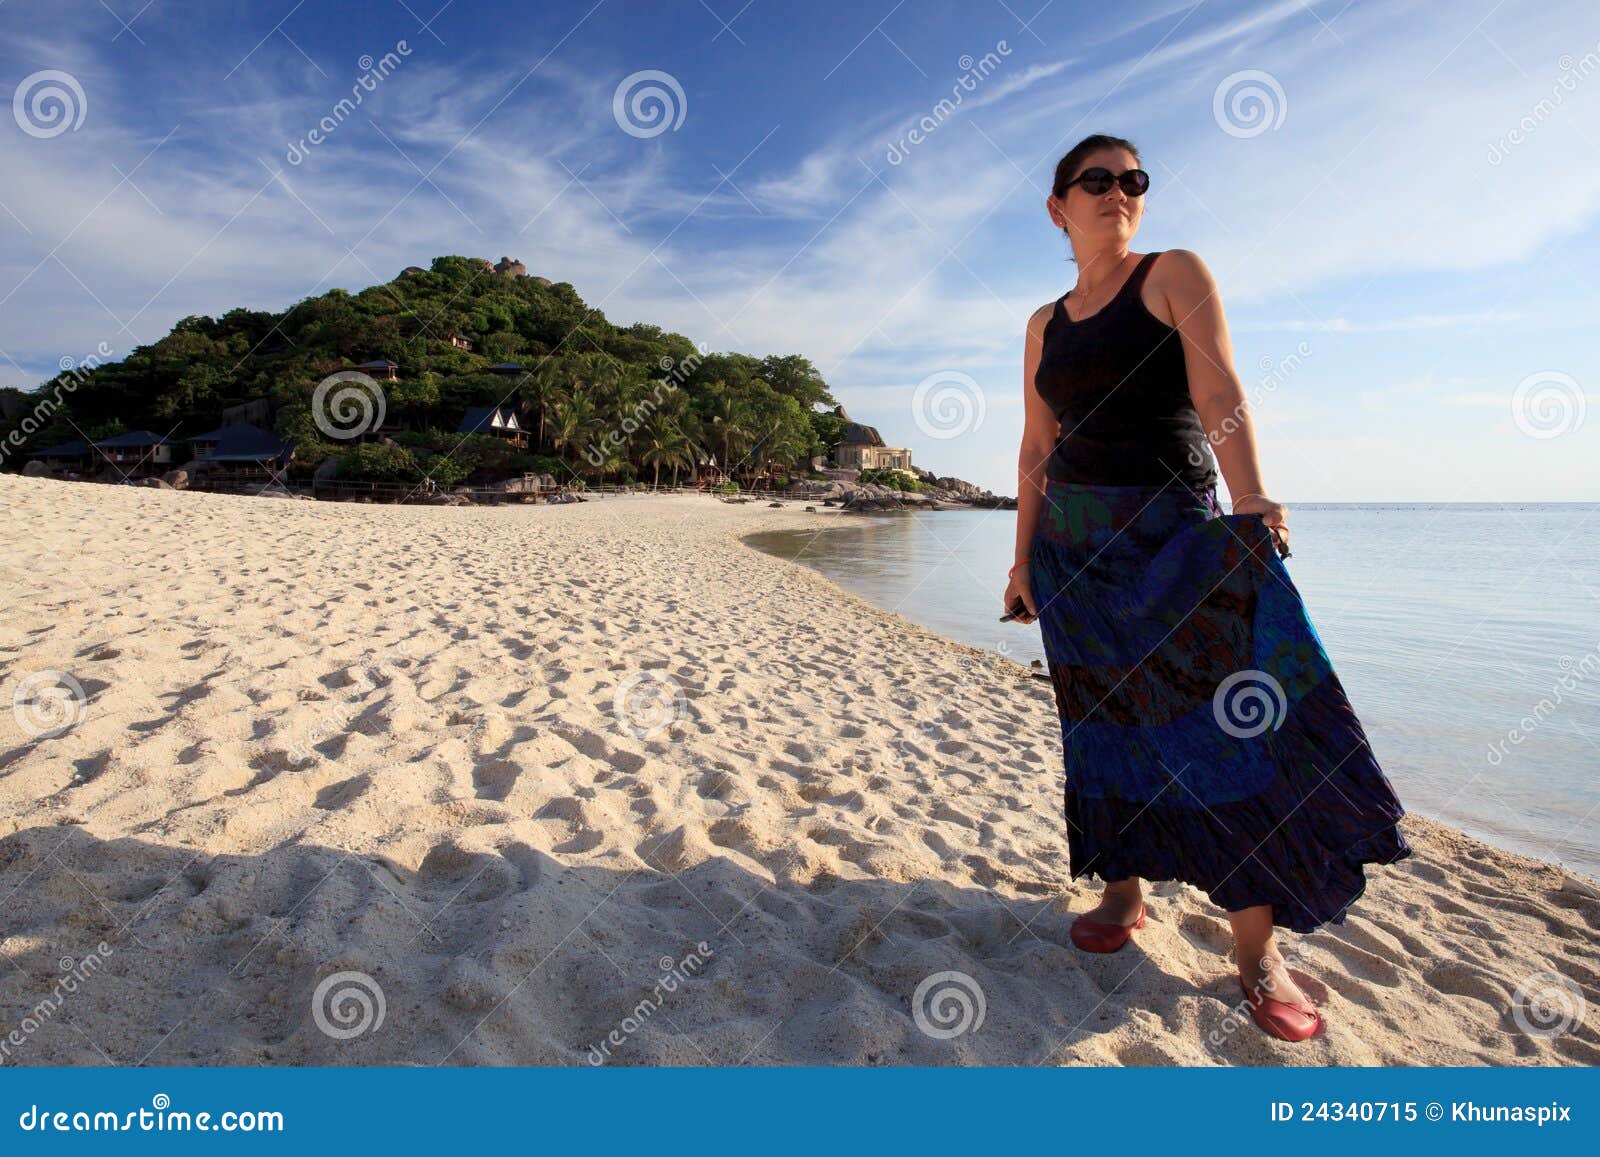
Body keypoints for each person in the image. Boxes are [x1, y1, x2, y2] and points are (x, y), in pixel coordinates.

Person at [1006, 133, 1412, 1043]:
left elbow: (1221, 387)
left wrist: (1253, 493)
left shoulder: (1173, 271)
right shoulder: (1044, 323)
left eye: (1134, 181)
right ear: (1057, 207)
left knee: (1230, 728)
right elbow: (1036, 449)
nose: (1119, 192)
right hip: (1077, 550)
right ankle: (1124, 887)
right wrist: (1022, 559)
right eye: (1098, 180)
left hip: (1177, 538)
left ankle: (1256, 951)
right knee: (1105, 725)